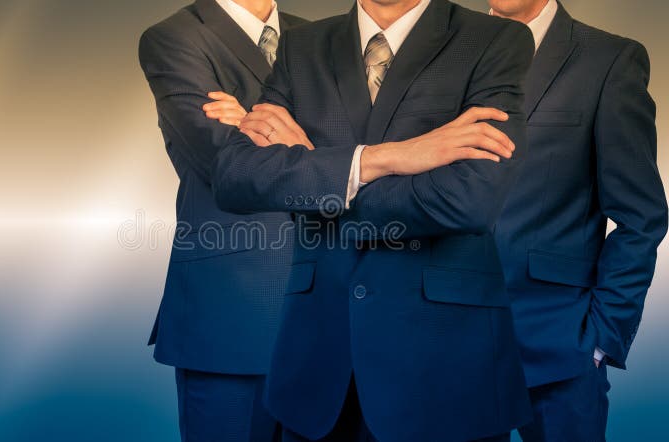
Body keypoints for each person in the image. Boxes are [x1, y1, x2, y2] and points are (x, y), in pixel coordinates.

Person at [211, 0, 535, 440]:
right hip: (317, 368)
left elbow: (470, 199)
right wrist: (393, 157)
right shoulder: (301, 45)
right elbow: (237, 178)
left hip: (447, 369)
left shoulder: (495, 39)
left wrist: (313, 168)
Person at [487, 1, 668, 440]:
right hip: (446, 344)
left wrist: (602, 337)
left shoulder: (608, 60)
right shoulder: (440, 56)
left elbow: (640, 217)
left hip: (560, 347)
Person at [138, 1, 307, 440]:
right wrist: (330, 148)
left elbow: (373, 148)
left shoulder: (322, 37)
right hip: (234, 313)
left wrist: (258, 122)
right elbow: (227, 166)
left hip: (331, 315)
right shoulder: (176, 37)